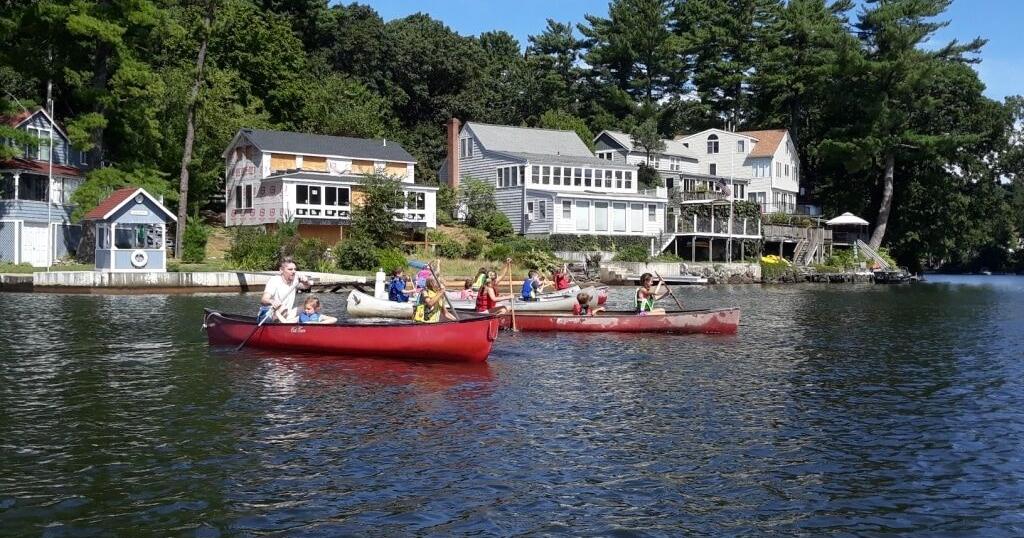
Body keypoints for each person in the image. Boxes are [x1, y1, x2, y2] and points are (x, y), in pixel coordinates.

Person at [258, 257, 311, 323]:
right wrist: (272, 301)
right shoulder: (274, 280)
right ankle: (282, 326)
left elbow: (307, 286)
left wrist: (305, 281)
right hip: (267, 315)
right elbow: (263, 300)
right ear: (281, 270)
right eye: (290, 269)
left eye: (295, 269)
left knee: (308, 307)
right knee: (282, 308)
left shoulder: (295, 281)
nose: (294, 271)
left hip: (285, 315)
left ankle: (296, 325)